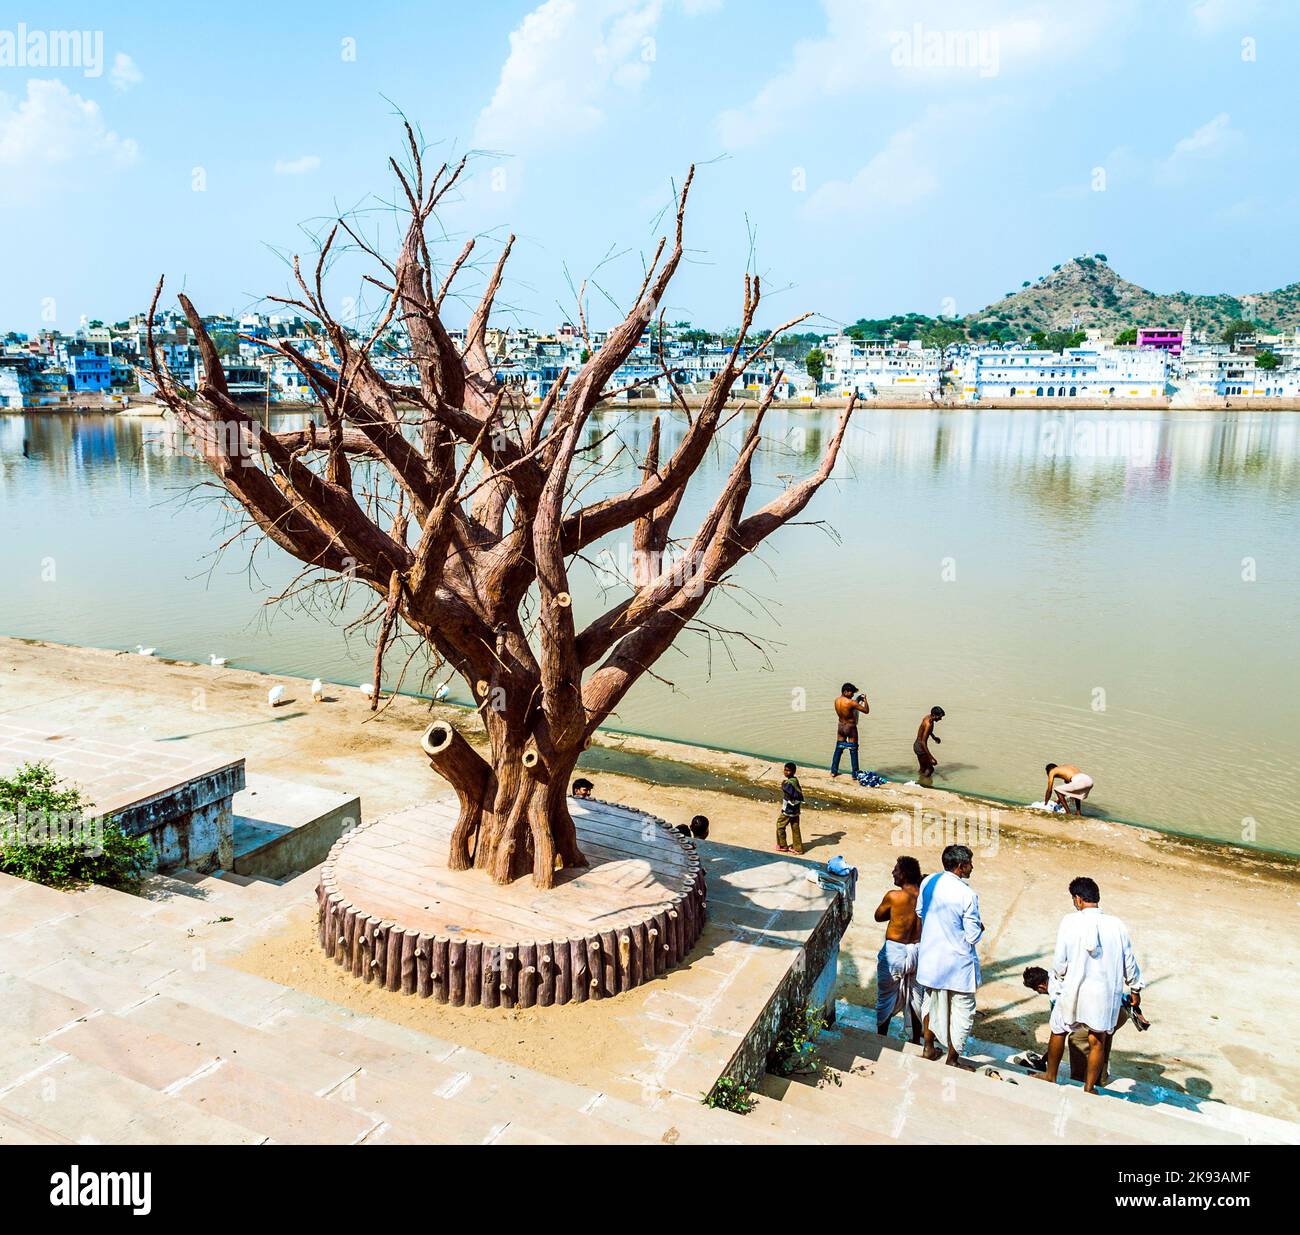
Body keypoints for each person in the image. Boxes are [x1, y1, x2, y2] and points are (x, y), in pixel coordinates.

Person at [1030, 877, 1144, 1094]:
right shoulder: (1117, 925)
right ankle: (1089, 1087)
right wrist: (1136, 989)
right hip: (1104, 994)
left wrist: (1059, 977)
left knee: (1058, 1031)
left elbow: (1060, 962)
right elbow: (1129, 962)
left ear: (1078, 899)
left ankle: (1050, 1075)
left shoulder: (1069, 921)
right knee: (1097, 1039)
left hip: (1073, 989)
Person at [916, 844, 983, 1068]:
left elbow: (920, 911)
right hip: (958, 964)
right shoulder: (967, 894)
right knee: (962, 1011)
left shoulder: (928, 882)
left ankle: (928, 1047)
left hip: (931, 959)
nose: (972, 867)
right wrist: (980, 927)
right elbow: (973, 935)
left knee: (930, 1004)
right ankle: (952, 1059)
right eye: (970, 864)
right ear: (960, 867)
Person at [1022, 965, 1140, 1086]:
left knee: (1076, 1040)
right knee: (1102, 1039)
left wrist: (1049, 1059)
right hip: (1119, 1009)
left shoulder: (1056, 995)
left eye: (1037, 991)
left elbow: (1059, 1032)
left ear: (1041, 987)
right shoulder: (1058, 974)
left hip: (1106, 1012)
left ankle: (1078, 1080)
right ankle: (1100, 1078)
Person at [873, 856, 924, 1043]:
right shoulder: (926, 896)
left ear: (903, 874)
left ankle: (881, 1039)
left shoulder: (894, 896)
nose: (893, 872)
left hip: (894, 952)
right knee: (917, 998)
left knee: (885, 997)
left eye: (896, 870)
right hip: (918, 952)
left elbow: (878, 916)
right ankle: (916, 1042)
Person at [831, 683, 870, 778]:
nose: (852, 695)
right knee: (853, 749)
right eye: (851, 693)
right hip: (850, 727)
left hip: (841, 726)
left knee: (838, 749)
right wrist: (865, 700)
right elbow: (866, 710)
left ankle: (833, 771)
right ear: (845, 692)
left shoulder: (836, 700)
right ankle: (855, 773)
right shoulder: (851, 702)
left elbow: (848, 710)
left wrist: (857, 700)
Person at [777, 762, 804, 854]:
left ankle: (782, 845)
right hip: (796, 809)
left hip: (789, 809)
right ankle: (798, 848)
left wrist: (783, 786)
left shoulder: (788, 783)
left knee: (780, 825)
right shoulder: (795, 780)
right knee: (795, 827)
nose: (786, 772)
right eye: (785, 770)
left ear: (793, 771)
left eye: (788, 770)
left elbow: (788, 791)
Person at [914, 707, 945, 777]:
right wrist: (931, 757)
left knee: (923, 768)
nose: (940, 719)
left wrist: (934, 737)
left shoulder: (928, 717)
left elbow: (926, 731)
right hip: (920, 747)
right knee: (930, 769)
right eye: (939, 717)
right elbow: (923, 742)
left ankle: (918, 782)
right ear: (934, 715)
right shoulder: (928, 724)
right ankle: (924, 784)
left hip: (917, 745)